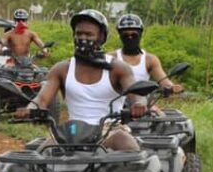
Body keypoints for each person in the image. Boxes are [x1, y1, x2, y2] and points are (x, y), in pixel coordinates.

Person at [15, 9, 147, 151]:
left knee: (130, 149)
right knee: (40, 157)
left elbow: (136, 92)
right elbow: (42, 99)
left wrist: (139, 104)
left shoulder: (118, 68)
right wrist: (30, 109)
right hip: (72, 131)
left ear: (101, 37)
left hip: (109, 131)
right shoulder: (61, 69)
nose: (83, 38)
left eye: (89, 34)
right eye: (79, 34)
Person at [110, 14, 184, 95]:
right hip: (115, 102)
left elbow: (163, 80)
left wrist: (171, 87)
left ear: (140, 35)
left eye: (134, 35)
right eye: (126, 35)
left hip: (142, 103)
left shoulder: (149, 59)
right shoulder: (111, 57)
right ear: (120, 36)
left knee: (167, 109)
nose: (130, 38)